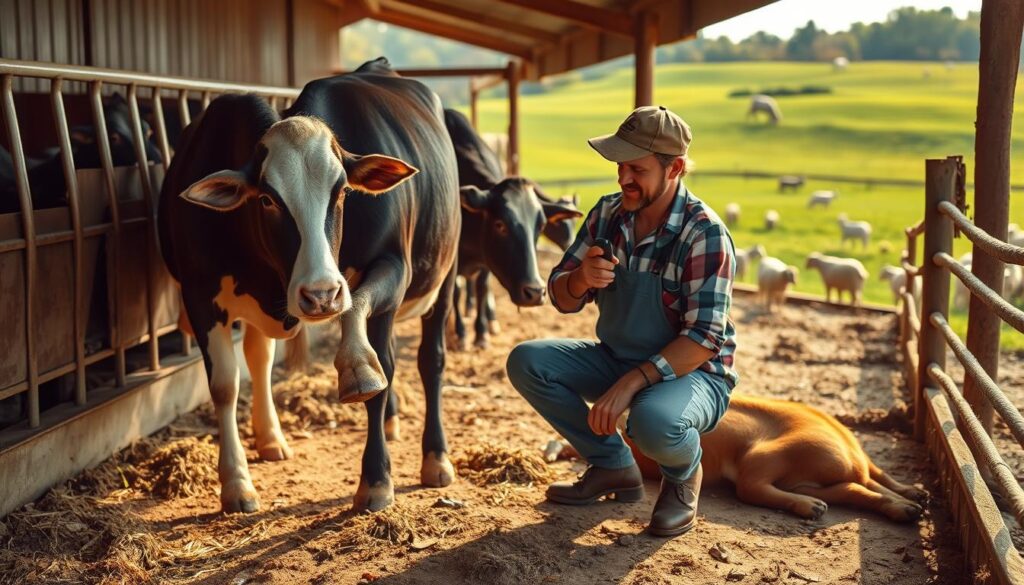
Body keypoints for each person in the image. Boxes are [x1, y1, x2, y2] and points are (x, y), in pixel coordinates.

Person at [506, 105, 738, 537]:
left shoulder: (704, 233)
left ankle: (684, 475)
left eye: (637, 169)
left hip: (693, 375)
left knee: (652, 423)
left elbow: (705, 339)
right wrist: (578, 279)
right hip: (617, 356)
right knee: (527, 361)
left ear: (676, 169)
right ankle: (613, 465)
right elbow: (560, 297)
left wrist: (629, 384)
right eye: (619, 166)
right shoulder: (606, 215)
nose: (623, 178)